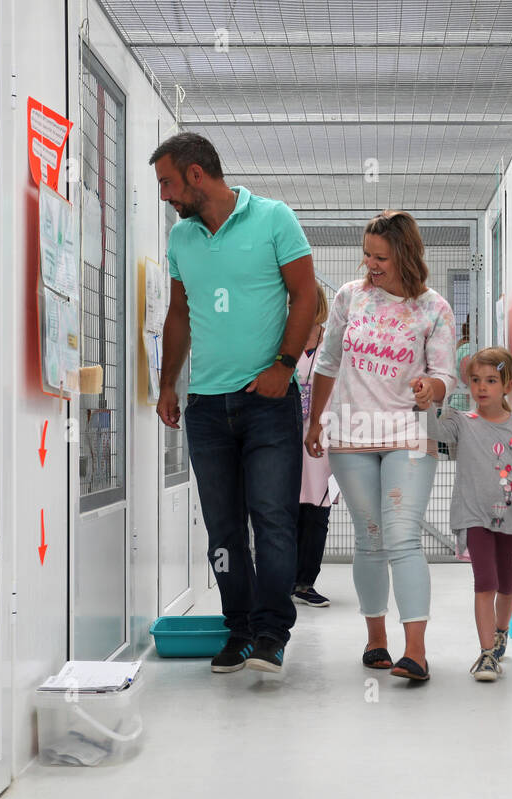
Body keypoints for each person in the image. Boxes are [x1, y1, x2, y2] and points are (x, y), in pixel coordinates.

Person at [151, 132, 317, 675]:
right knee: (223, 528)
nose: (164, 195)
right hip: (205, 409)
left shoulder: (274, 219)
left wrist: (284, 366)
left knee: (272, 520)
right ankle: (238, 628)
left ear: (197, 175)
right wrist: (168, 383)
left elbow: (306, 295)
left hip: (268, 402)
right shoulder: (181, 239)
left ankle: (272, 632)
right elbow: (179, 313)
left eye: (168, 182)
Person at [305, 210, 456, 681]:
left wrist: (432, 388)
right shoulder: (350, 298)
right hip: (350, 436)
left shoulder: (434, 308)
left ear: (405, 255)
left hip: (408, 436)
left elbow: (445, 374)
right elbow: (327, 363)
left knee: (403, 537)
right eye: (367, 254)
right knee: (369, 540)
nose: (370, 263)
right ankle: (376, 641)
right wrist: (315, 424)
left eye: (380, 256)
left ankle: (416, 652)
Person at [422, 346, 512, 681]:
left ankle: (501, 632)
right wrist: (426, 405)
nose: (481, 387)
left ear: (507, 385)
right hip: (474, 515)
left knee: (506, 583)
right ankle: (487, 654)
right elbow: (434, 432)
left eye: (490, 380)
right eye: (475, 380)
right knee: (484, 582)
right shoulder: (461, 421)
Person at [294, 286, 335, 608]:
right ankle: (282, 580)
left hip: (323, 435)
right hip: (282, 433)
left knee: (317, 510)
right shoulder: (279, 340)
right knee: (282, 508)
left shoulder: (333, 344)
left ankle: (305, 583)